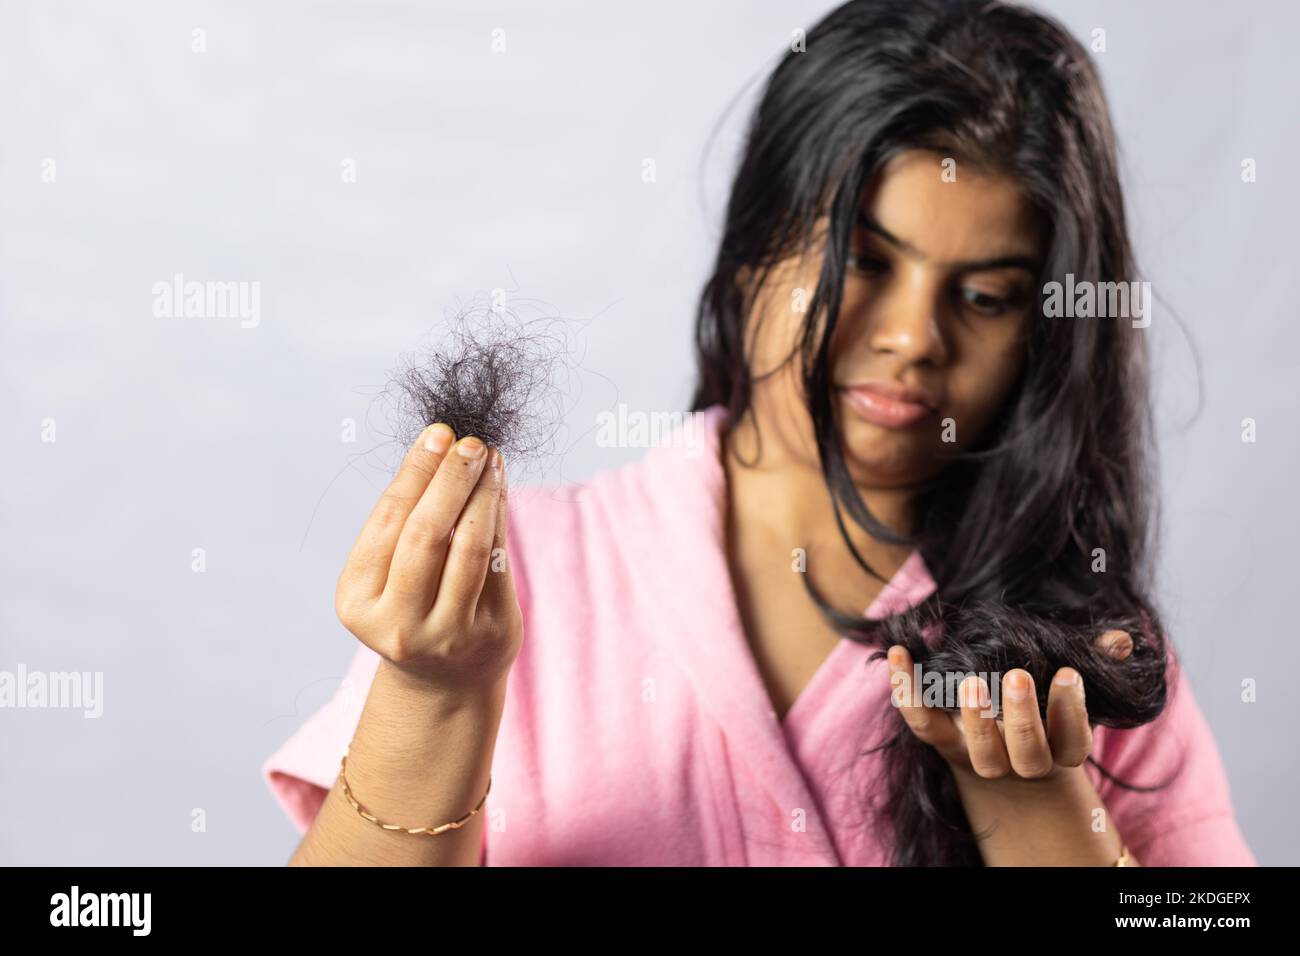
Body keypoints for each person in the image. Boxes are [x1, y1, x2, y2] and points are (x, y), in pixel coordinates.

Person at [261, 0, 1255, 866]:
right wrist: (433, 697)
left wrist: (1033, 803)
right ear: (750, 255)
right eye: (862, 263)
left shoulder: (1084, 654)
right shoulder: (513, 580)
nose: (912, 338)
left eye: (987, 296)